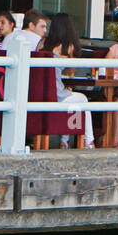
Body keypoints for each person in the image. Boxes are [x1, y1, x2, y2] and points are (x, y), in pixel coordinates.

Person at [45, 12, 95, 148]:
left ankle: (64, 141)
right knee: (82, 100)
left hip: (42, 95)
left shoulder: (43, 46)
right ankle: (88, 141)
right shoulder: (66, 47)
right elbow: (70, 71)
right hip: (57, 95)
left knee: (73, 100)